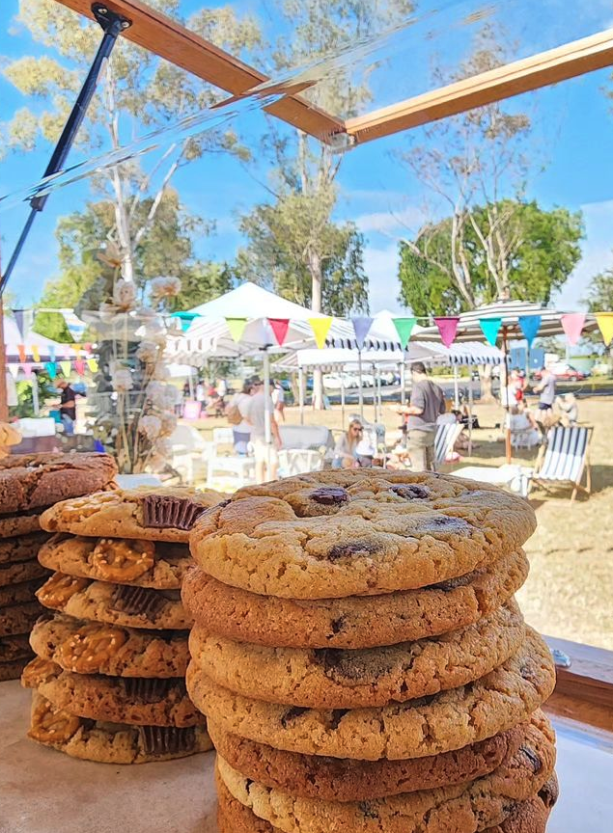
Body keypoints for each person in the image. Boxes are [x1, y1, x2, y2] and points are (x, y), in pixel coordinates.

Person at [395, 362, 446, 471]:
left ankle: (422, 482)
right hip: (431, 430)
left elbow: (418, 409)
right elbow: (442, 410)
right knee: (430, 466)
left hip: (418, 430)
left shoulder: (418, 387)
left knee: (418, 467)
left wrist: (400, 409)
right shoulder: (437, 388)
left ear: (414, 372)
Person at [244, 377, 282, 483]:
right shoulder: (267, 400)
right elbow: (272, 421)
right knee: (273, 461)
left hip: (255, 435)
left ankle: (259, 483)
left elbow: (246, 417)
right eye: (272, 389)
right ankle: (271, 483)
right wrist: (278, 437)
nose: (273, 391)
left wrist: (255, 425)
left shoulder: (252, 399)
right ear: (268, 386)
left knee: (259, 461)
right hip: (266, 436)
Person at [227, 380, 253, 454]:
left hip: (236, 425)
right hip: (248, 428)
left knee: (240, 450)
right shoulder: (250, 399)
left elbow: (228, 408)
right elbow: (246, 416)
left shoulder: (237, 396)